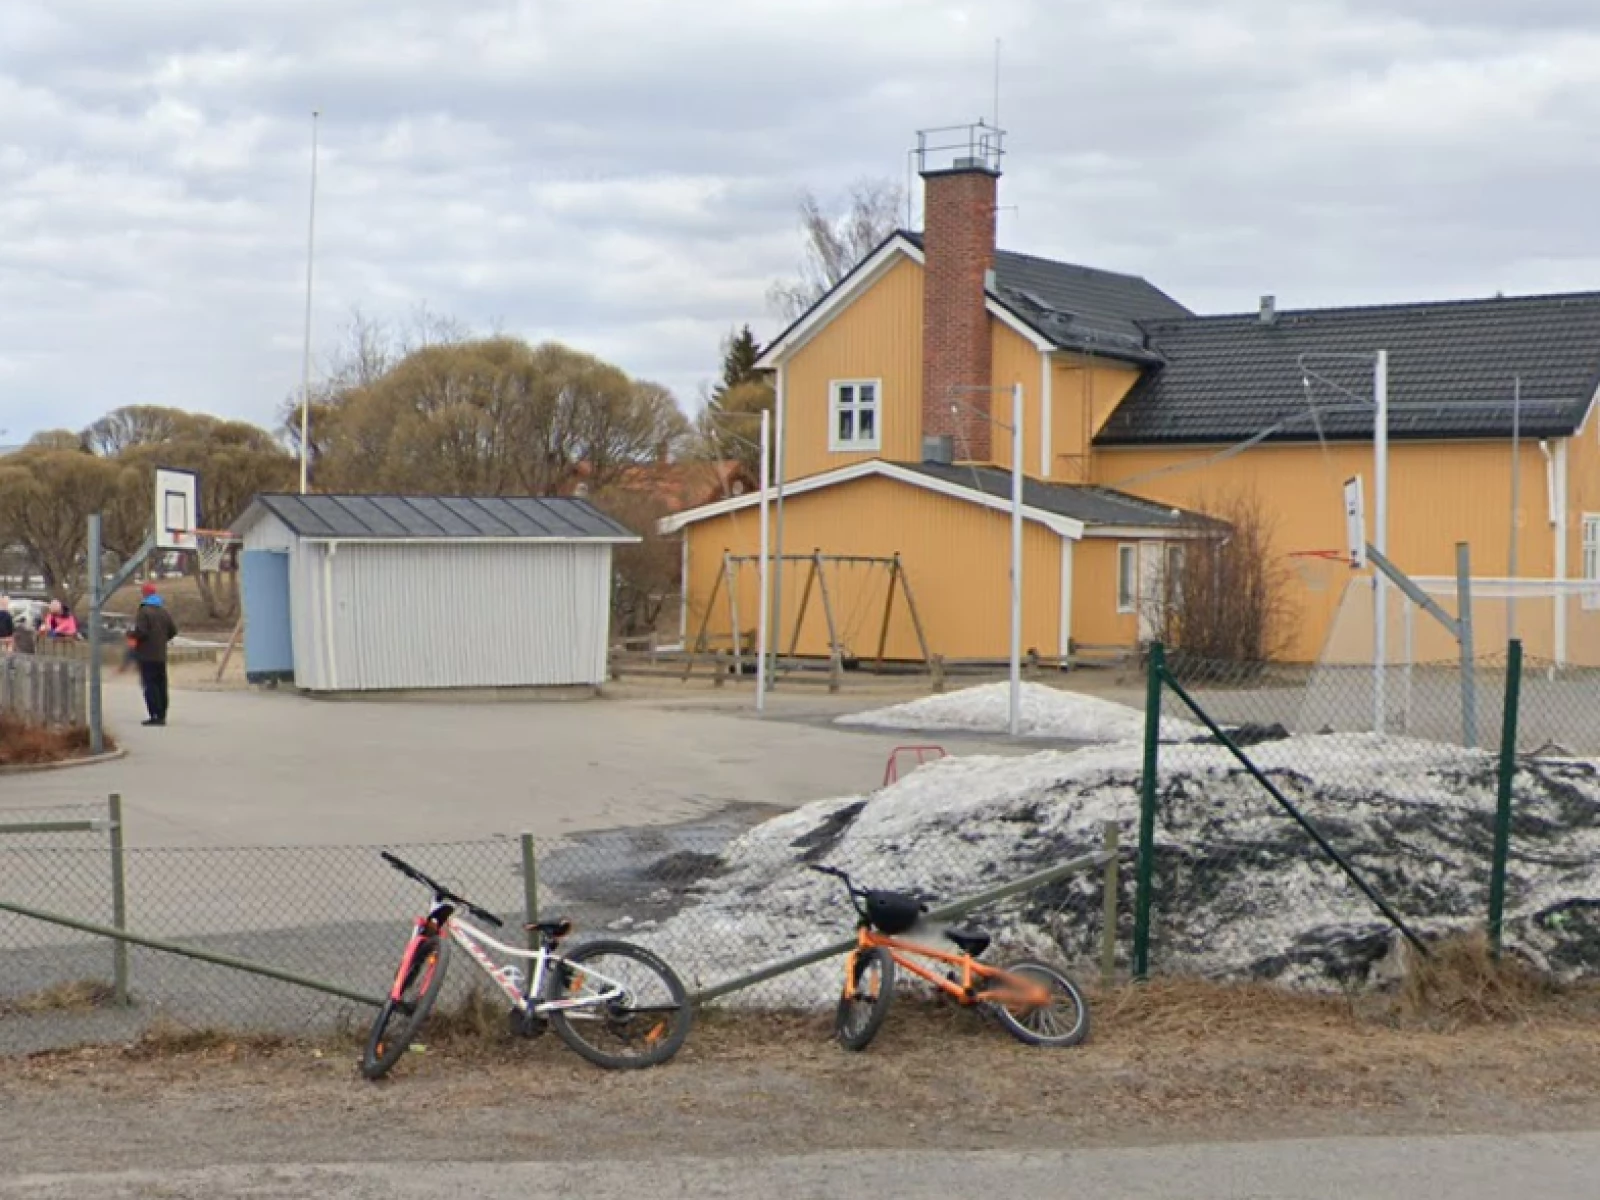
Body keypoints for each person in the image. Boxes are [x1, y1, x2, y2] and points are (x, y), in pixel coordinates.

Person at [130, 582, 178, 727]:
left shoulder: (144, 612)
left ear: (144, 594)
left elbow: (141, 632)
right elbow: (173, 630)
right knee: (161, 685)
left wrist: (131, 635)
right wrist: (162, 639)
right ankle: (162, 714)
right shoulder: (163, 611)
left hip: (146, 655)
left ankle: (154, 715)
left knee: (150, 685)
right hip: (161, 655)